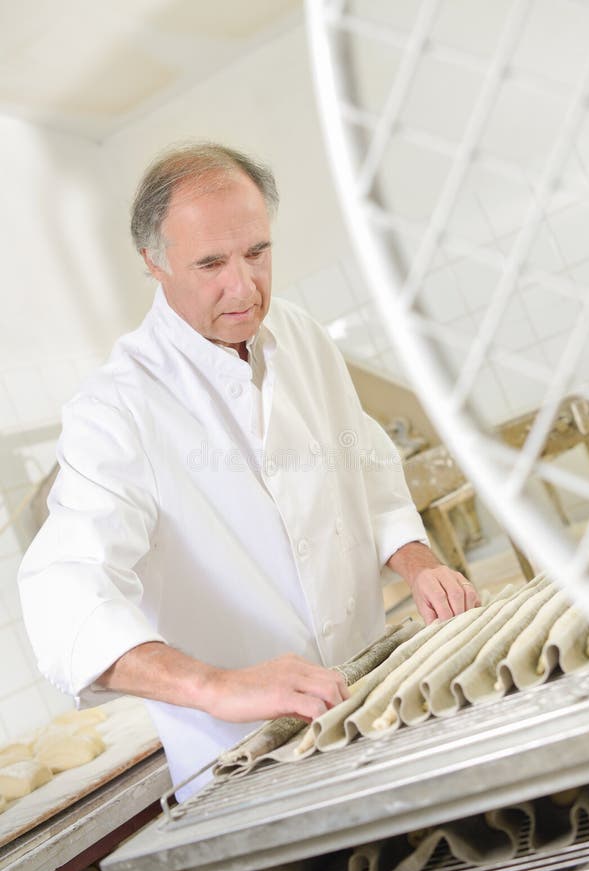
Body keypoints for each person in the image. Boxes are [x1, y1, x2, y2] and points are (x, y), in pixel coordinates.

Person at [19, 143, 480, 798]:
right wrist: (216, 685)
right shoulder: (114, 409)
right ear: (153, 262)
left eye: (256, 253)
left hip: (369, 703)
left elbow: (369, 472)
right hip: (245, 760)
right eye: (210, 263)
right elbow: (63, 590)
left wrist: (419, 563)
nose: (243, 287)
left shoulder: (300, 337)